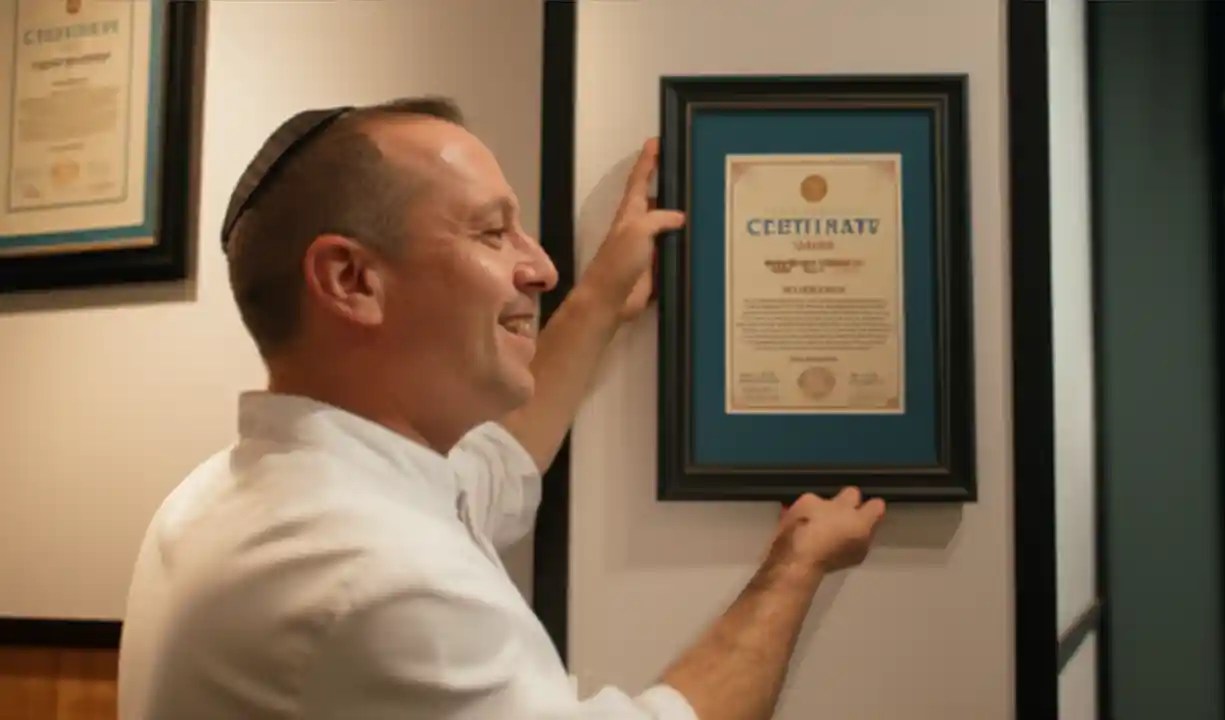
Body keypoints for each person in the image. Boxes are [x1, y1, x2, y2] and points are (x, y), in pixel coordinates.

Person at [117, 96, 887, 720]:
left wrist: (599, 302)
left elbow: (498, 464)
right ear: (352, 280)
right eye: (492, 232)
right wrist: (796, 566)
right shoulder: (376, 572)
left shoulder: (240, 499)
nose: (542, 267)